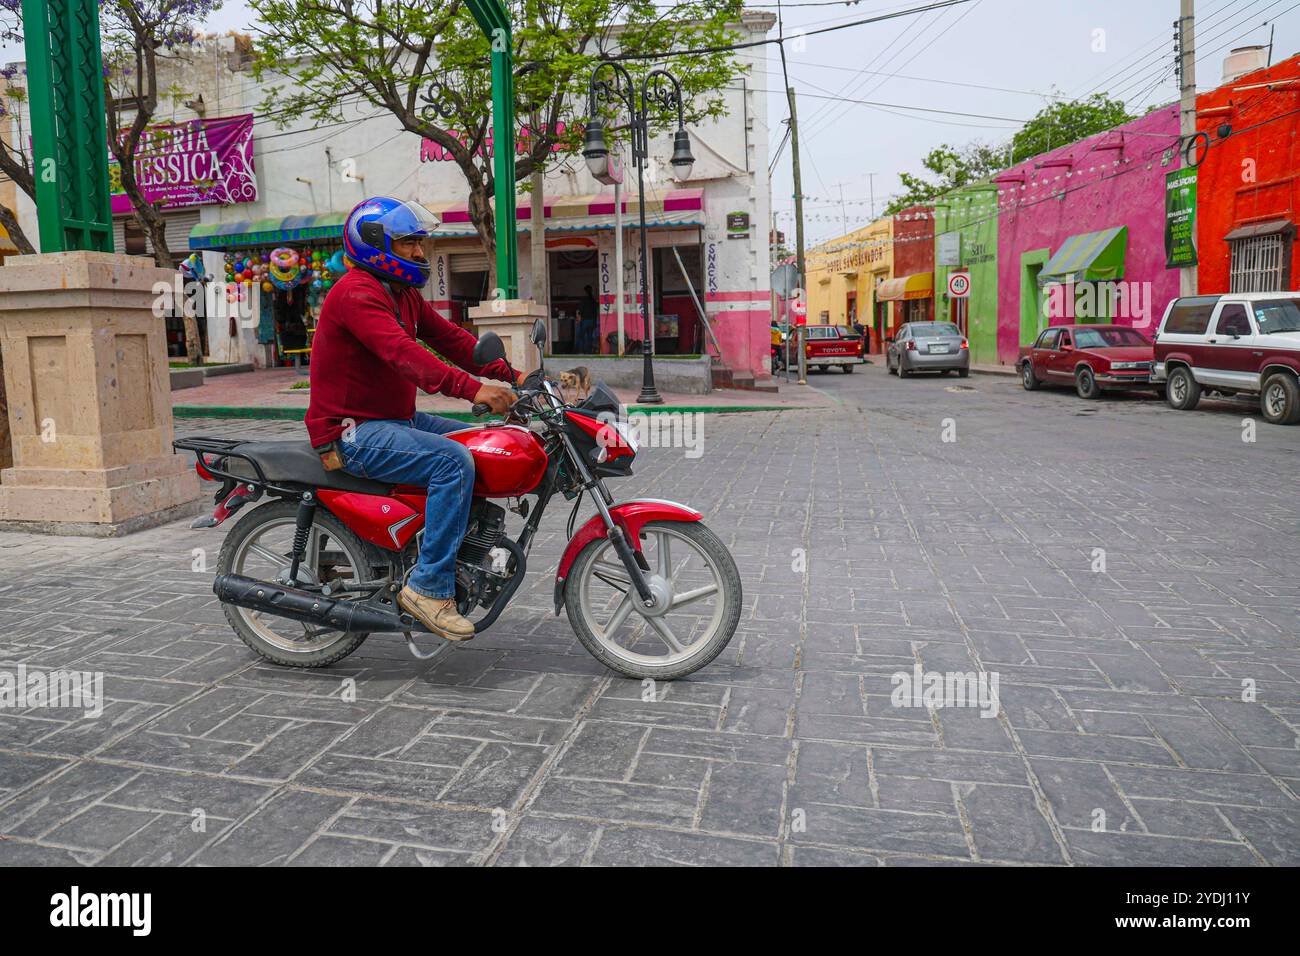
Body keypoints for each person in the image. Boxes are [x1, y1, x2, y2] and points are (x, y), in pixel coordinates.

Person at [305, 197, 518, 641]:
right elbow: (406, 356)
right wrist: (473, 389)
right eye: (409, 244)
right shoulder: (356, 293)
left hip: (394, 418)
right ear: (376, 244)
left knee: (486, 441)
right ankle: (427, 587)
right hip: (353, 431)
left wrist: (518, 377)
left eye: (420, 243)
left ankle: (450, 549)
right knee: (451, 462)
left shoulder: (403, 295)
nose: (420, 253)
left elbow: (456, 342)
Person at [577, 284, 599, 354]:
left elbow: (580, 311)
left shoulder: (583, 300)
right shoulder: (593, 300)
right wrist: (595, 322)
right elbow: (595, 312)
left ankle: (581, 351)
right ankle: (589, 352)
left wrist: (579, 318)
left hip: (585, 321)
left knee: (581, 336)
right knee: (589, 337)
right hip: (592, 320)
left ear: (585, 291)